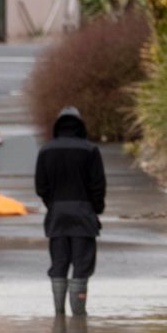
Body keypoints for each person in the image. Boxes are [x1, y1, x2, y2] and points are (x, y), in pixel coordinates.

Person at [35, 106, 106, 316]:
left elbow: (41, 186)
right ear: (80, 125)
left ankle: (59, 312)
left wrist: (53, 204)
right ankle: (79, 314)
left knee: (59, 263)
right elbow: (98, 185)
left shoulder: (46, 150)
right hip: (84, 215)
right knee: (82, 265)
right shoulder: (90, 150)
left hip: (56, 216)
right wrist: (96, 208)